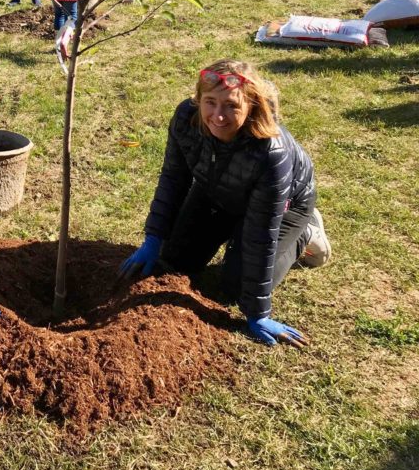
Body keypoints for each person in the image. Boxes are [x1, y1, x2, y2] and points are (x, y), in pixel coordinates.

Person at [120, 60, 331, 348]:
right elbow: (174, 179)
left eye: (231, 105)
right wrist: (153, 238)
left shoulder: (271, 153)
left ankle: (306, 234)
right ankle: (232, 227)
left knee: (233, 287)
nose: (218, 116)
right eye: (210, 102)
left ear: (251, 105)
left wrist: (258, 313)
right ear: (199, 99)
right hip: (216, 191)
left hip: (284, 206)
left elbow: (261, 234)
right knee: (175, 261)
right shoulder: (186, 119)